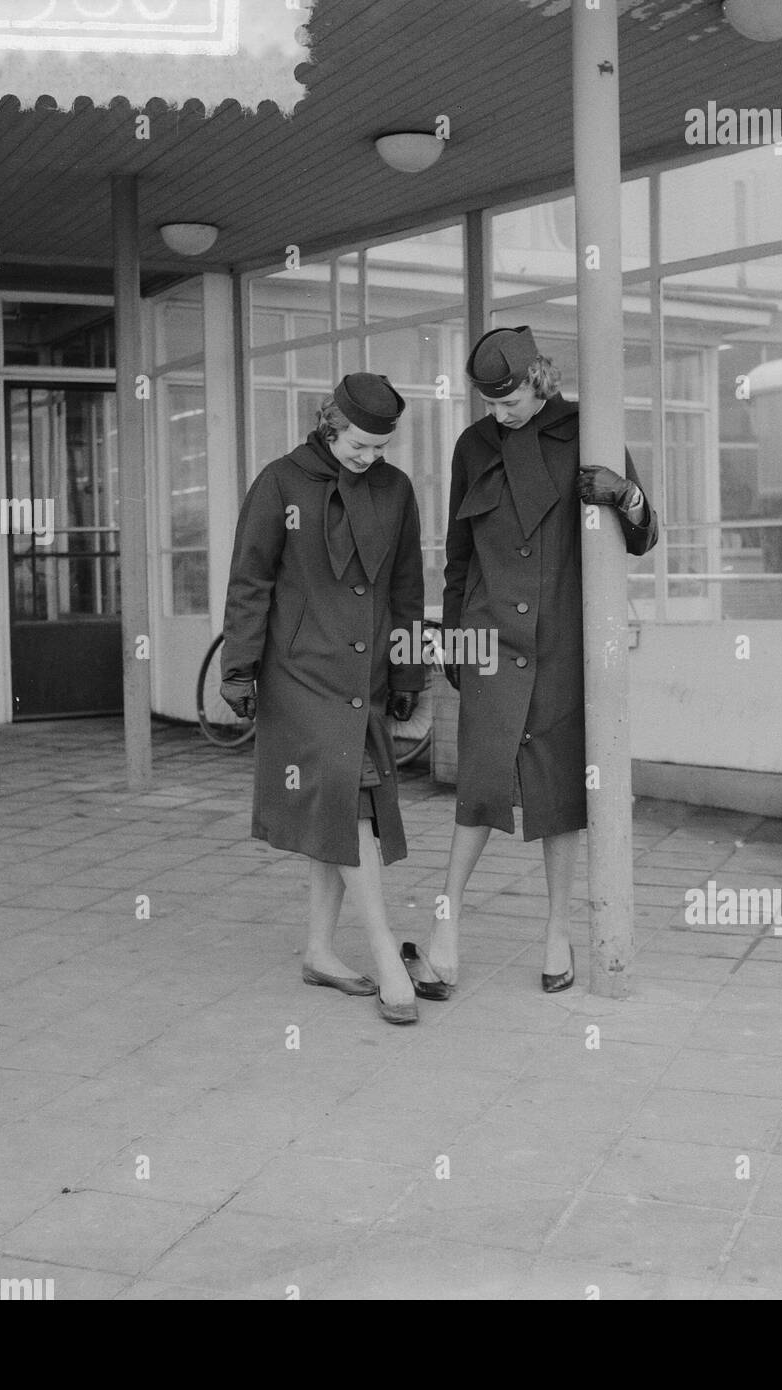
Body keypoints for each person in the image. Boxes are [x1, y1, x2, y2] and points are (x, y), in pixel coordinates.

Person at [417, 326, 658, 996]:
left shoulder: (591, 433)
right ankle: (445, 934)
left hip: (559, 648)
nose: (500, 413)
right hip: (490, 642)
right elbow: (456, 557)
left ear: (539, 378)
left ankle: (557, 935)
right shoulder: (474, 446)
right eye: (490, 403)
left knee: (557, 797)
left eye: (511, 398)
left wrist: (623, 495)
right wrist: (454, 642)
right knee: (478, 791)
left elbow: (644, 535)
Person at [219, 373, 427, 1025]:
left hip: (363, 679)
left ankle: (317, 950)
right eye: (359, 446)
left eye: (378, 448)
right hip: (299, 675)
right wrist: (238, 667)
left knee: (338, 807)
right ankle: (386, 957)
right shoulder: (280, 482)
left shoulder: (395, 490)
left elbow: (405, 587)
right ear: (330, 425)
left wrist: (406, 672)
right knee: (350, 801)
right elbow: (249, 579)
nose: (370, 459)